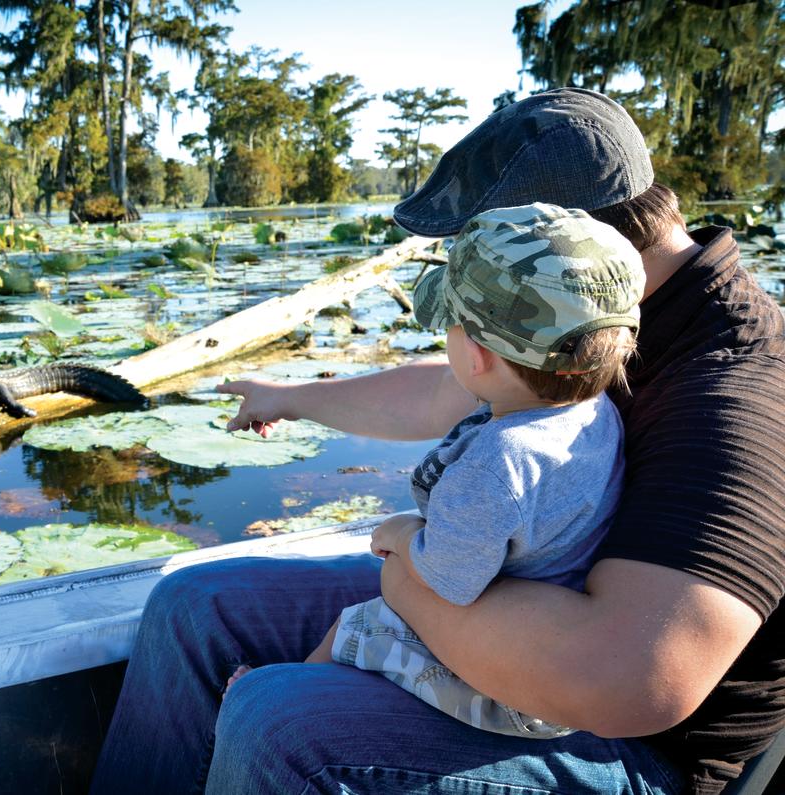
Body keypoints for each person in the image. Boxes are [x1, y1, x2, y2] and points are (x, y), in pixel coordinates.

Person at [90, 88, 785, 795]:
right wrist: (290, 397)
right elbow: (442, 391)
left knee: (281, 724)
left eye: (472, 263)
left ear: (553, 239)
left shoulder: (735, 397)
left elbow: (633, 680)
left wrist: (406, 577)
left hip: (634, 748)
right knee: (194, 606)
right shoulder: (580, 308)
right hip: (509, 588)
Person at [222, 202, 645, 742]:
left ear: (476, 357)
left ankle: (278, 692)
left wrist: (401, 534)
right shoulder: (588, 407)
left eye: (449, 325)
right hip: (537, 655)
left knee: (358, 626)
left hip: (509, 694)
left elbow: (448, 579)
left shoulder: (498, 463)